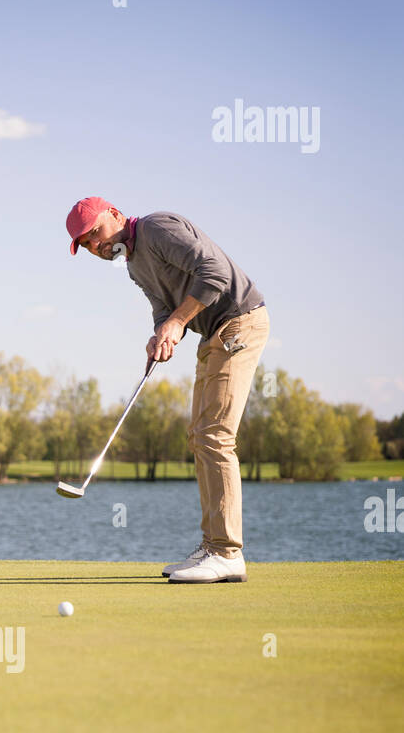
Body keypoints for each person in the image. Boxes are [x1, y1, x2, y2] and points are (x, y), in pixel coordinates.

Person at [66, 197, 269, 583]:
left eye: (95, 232)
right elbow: (163, 308)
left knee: (214, 436)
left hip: (239, 322)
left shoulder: (157, 228)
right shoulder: (133, 265)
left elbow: (215, 272)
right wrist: (162, 332)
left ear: (115, 214)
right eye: (87, 244)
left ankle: (226, 552)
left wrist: (177, 323)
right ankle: (212, 546)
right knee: (200, 436)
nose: (96, 245)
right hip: (213, 333)